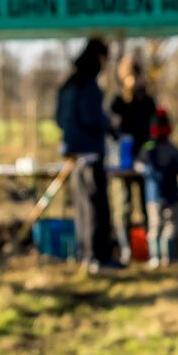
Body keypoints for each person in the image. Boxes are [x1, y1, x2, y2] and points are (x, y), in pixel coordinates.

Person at [57, 38, 120, 274]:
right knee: (96, 207)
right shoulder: (88, 85)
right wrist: (109, 123)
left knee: (83, 207)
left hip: (74, 154)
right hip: (91, 153)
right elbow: (91, 116)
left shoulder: (69, 84)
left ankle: (86, 254)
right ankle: (98, 257)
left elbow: (60, 119)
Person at [111, 52, 161, 241]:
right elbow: (112, 129)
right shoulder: (117, 102)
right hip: (122, 161)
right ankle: (125, 246)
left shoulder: (147, 102)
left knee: (149, 203)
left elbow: (153, 131)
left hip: (144, 159)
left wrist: (148, 151)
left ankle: (151, 245)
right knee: (123, 204)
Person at [137, 114, 178, 267]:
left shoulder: (148, 147)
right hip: (168, 194)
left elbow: (139, 165)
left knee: (157, 226)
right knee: (166, 226)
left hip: (155, 195)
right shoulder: (170, 148)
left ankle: (159, 257)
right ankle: (162, 257)